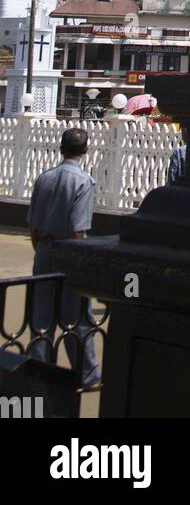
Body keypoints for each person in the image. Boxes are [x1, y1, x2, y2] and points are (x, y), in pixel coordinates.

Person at [25, 127, 101, 390]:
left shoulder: (44, 179)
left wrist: (42, 251)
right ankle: (87, 374)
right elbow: (77, 230)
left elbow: (33, 227)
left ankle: (38, 369)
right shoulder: (83, 181)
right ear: (85, 150)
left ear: (61, 148)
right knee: (77, 317)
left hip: (45, 250)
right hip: (70, 252)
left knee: (40, 317)